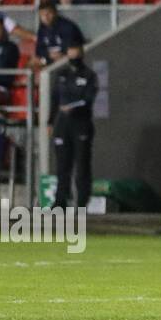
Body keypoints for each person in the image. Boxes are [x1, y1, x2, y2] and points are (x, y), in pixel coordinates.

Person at [51, 42, 98, 208]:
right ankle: (60, 201)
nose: (74, 56)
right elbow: (54, 99)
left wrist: (74, 107)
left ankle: (82, 202)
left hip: (81, 123)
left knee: (82, 164)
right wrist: (50, 121)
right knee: (62, 165)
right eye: (71, 52)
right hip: (62, 124)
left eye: (76, 52)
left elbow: (89, 99)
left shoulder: (89, 75)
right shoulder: (61, 74)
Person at [35, 1, 86, 66]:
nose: (46, 17)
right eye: (42, 15)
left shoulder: (67, 26)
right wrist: (49, 54)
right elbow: (39, 50)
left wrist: (60, 54)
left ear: (55, 13)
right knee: (33, 61)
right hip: (50, 58)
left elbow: (73, 49)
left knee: (72, 53)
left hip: (67, 59)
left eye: (49, 13)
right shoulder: (42, 28)